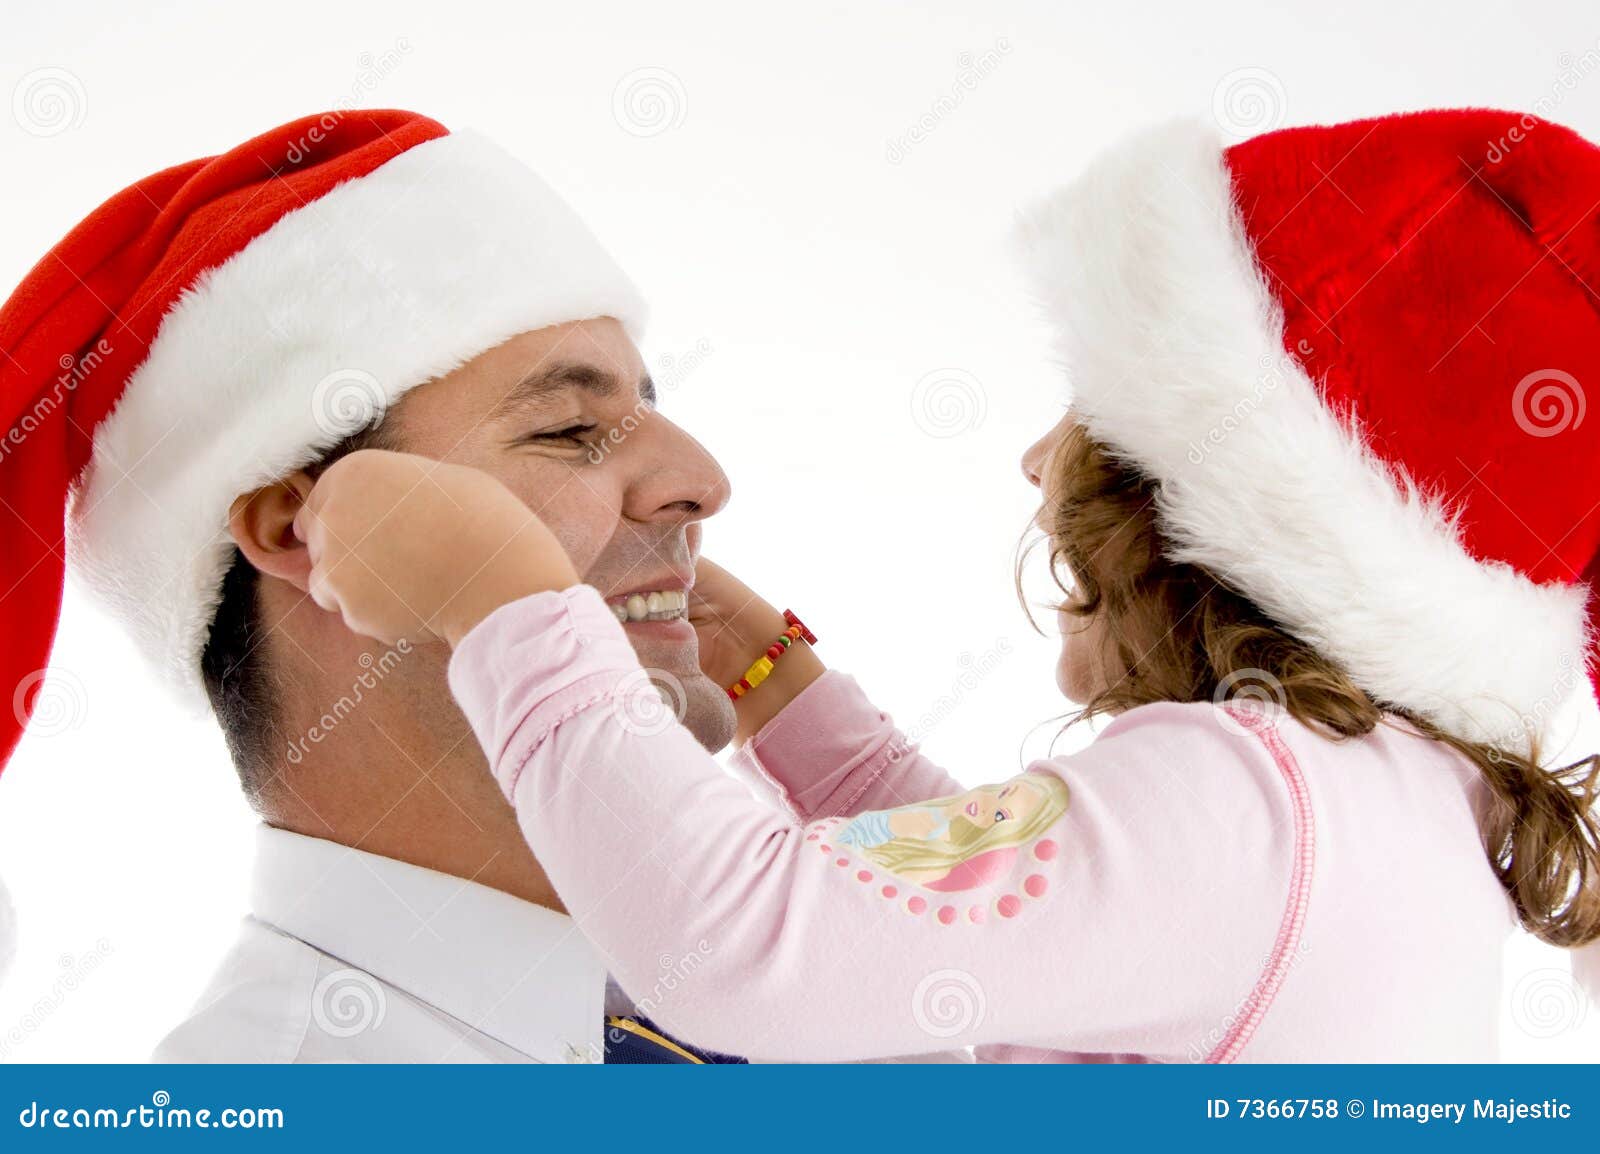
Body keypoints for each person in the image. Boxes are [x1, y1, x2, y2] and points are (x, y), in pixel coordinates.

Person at [294, 108, 1600, 1062]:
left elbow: (744, 948)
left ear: (1236, 506)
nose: (1040, 456)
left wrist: (504, 600)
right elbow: (989, 914)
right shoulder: (1380, 792)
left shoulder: (1246, 802)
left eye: (1096, 414)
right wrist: (777, 681)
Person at [0, 108, 754, 1063]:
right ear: (297, 530)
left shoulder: (818, 980)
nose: (703, 480)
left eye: (653, 410)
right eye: (568, 429)